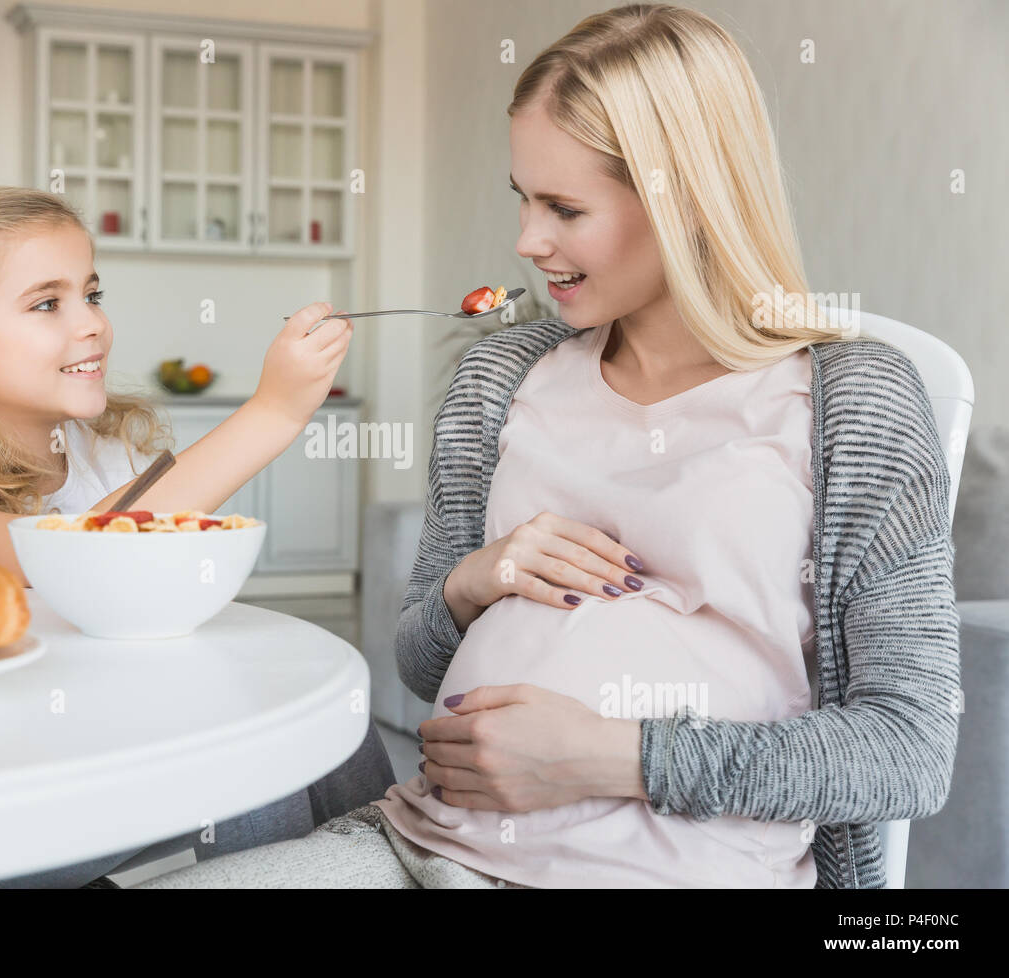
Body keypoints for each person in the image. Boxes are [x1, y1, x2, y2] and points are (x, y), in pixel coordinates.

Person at [134, 2, 960, 889]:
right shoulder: (499, 378)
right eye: (524, 201)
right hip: (422, 847)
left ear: (688, 200)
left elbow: (909, 750)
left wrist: (612, 755)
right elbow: (419, 663)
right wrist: (468, 583)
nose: (529, 242)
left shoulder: (853, 400)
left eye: (565, 208)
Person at [0, 186, 396, 887]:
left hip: (112, 745)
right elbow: (61, 558)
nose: (92, 323)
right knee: (246, 763)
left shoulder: (104, 454)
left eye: (92, 293)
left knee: (327, 709)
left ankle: (393, 859)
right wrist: (271, 414)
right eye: (46, 304)